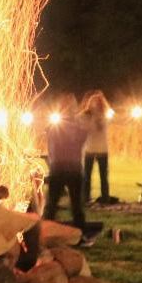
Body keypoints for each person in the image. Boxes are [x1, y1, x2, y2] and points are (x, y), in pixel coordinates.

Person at [43, 93, 89, 233]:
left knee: (63, 204)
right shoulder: (59, 125)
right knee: (59, 204)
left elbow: (81, 140)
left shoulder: (76, 125)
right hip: (65, 166)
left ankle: (46, 231)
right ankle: (46, 231)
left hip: (66, 166)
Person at [80, 90, 111, 205]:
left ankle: (105, 198)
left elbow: (103, 126)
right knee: (87, 175)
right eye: (93, 102)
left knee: (103, 176)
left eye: (97, 102)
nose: (95, 105)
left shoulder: (105, 115)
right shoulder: (85, 116)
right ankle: (86, 198)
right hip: (90, 148)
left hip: (102, 149)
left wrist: (98, 118)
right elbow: (82, 124)